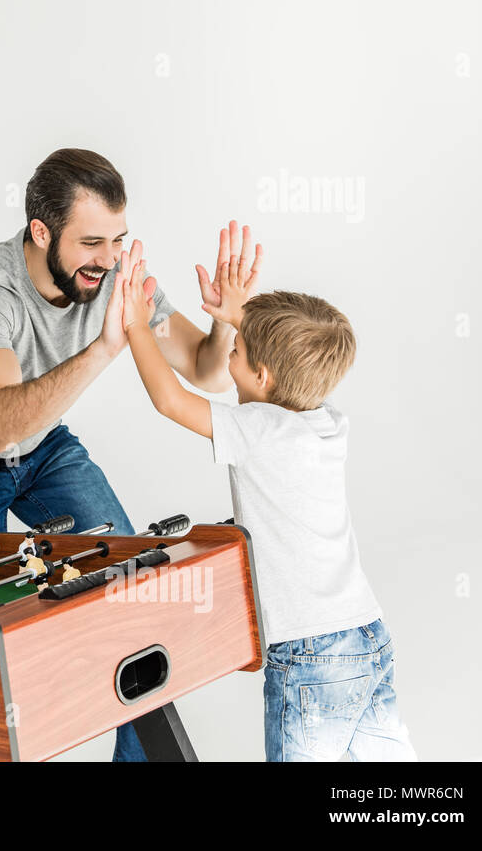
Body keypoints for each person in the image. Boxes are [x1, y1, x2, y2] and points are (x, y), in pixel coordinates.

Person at [0, 147, 262, 761]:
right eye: (91, 242)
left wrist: (226, 321)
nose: (109, 259)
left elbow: (206, 370)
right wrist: (104, 348)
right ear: (41, 232)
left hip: (44, 450)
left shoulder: (116, 276)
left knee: (131, 591)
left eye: (117, 240)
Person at [119, 248, 415, 761]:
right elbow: (280, 373)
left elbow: (171, 400)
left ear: (261, 378)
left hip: (308, 653)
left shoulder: (259, 430)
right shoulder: (326, 422)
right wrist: (239, 316)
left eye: (236, 349)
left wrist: (136, 327)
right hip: (366, 634)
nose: (228, 352)